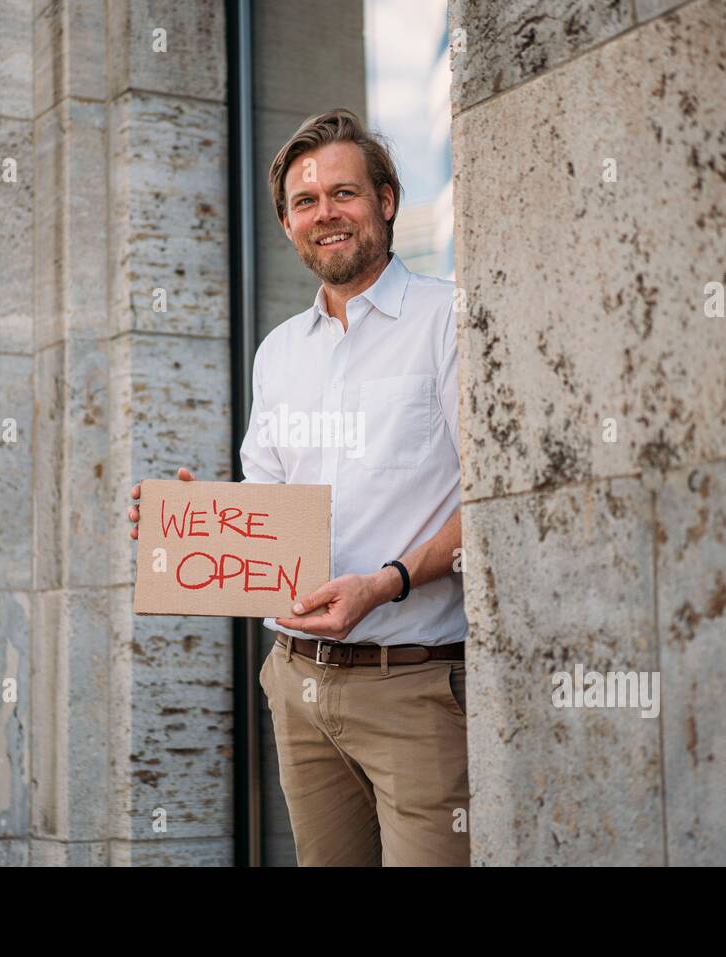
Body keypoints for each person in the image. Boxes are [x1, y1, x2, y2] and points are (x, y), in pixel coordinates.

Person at [127, 109, 468, 866]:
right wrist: (196, 519)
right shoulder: (278, 353)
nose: (326, 214)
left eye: (343, 193)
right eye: (306, 202)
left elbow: (491, 500)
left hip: (416, 692)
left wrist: (386, 583)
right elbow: (270, 502)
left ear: (385, 200)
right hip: (297, 685)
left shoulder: (448, 321)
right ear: (285, 222)